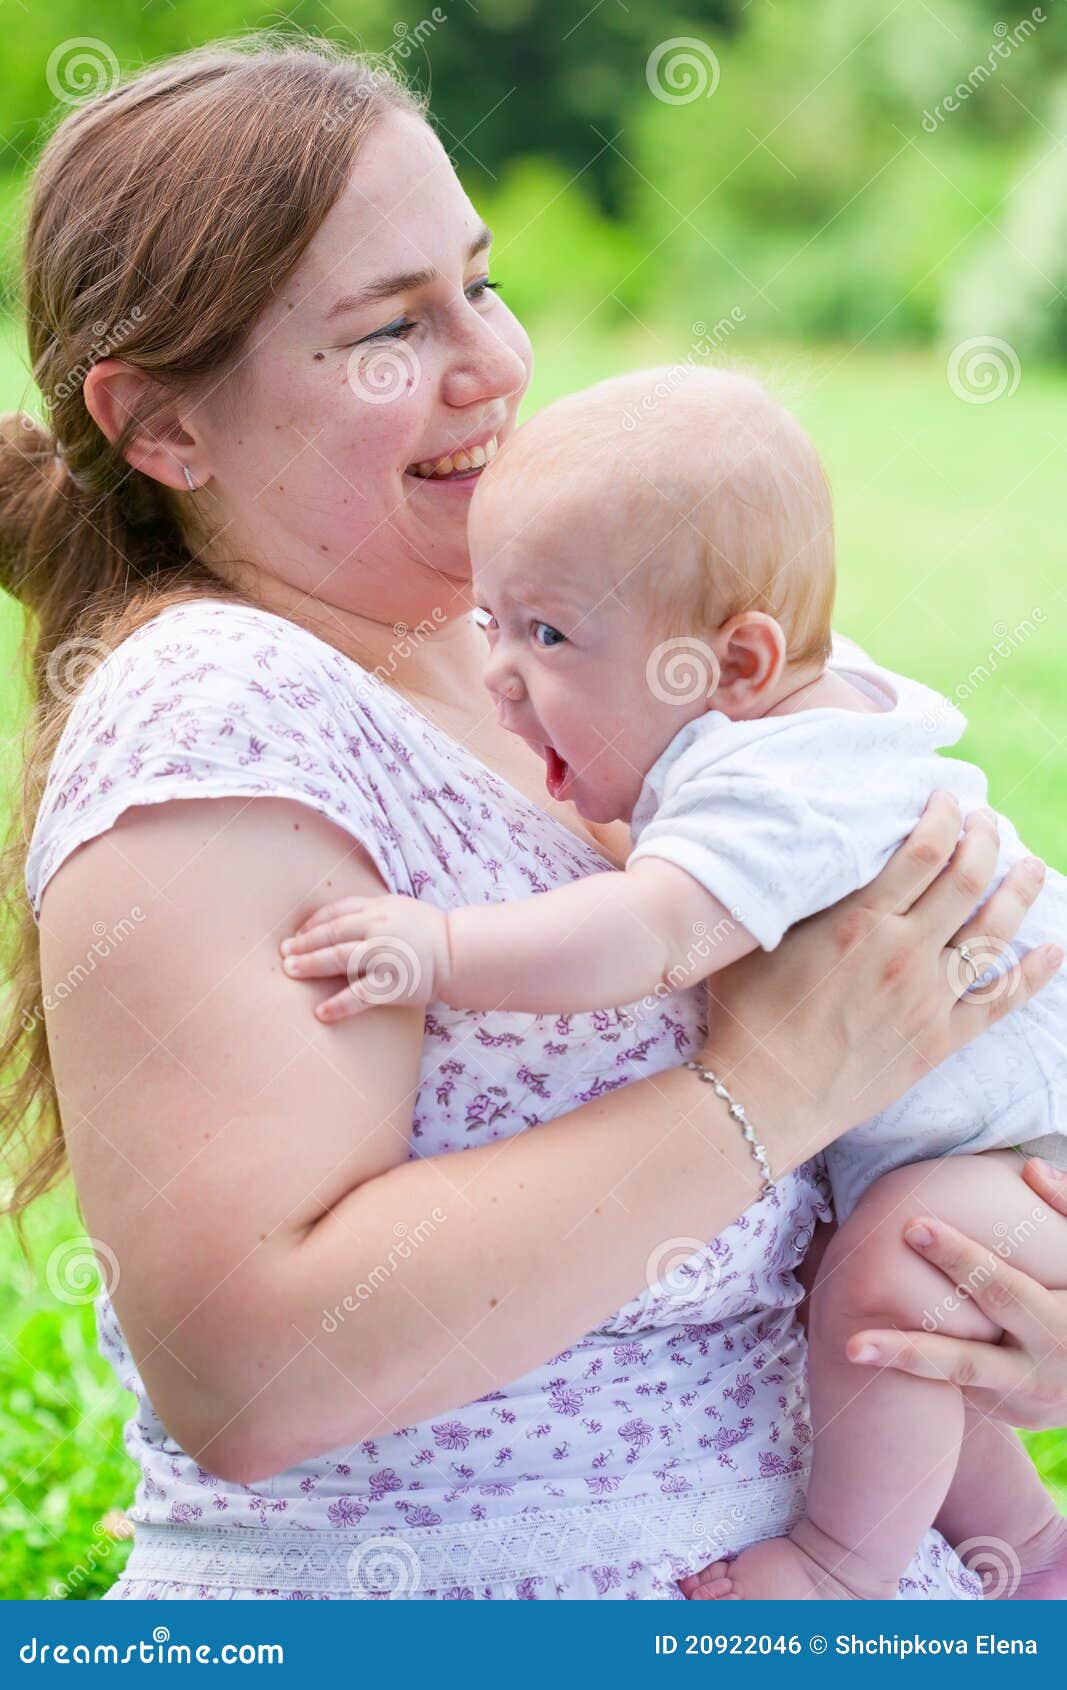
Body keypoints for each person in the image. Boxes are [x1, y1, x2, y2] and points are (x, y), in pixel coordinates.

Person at [0, 37, 1063, 1602]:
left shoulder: (528, 638)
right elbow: (255, 1371)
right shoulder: (220, 708)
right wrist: (766, 1080)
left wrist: (989, 1305)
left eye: (478, 286)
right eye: (388, 328)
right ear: (163, 429)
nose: (491, 363)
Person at [284, 368, 1067, 1599]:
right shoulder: (784, 707)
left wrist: (439, 948)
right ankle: (1024, 1553)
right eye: (489, 621)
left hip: (1032, 1151)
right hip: (1000, 1137)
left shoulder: (775, 782)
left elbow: (641, 934)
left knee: (890, 1270)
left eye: (545, 634)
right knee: (877, 1287)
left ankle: (840, 1568)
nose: (497, 674)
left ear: (733, 662)